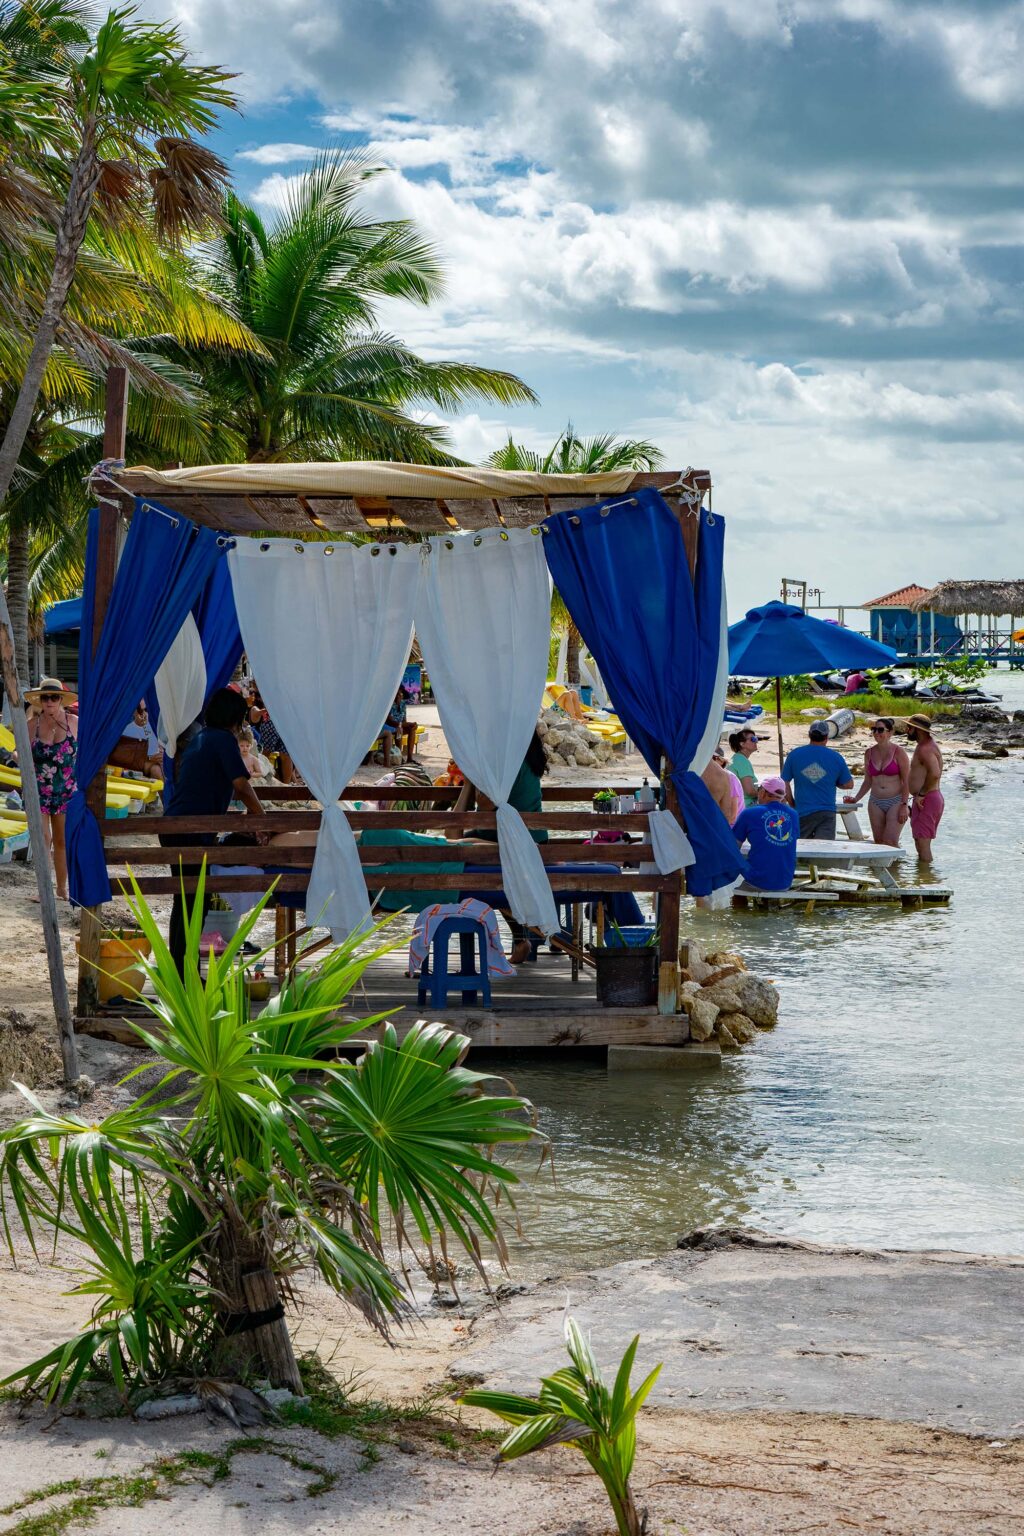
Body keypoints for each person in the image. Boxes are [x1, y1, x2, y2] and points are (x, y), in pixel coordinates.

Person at [160, 686, 267, 973]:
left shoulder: (201, 738)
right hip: (191, 829)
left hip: (176, 826)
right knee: (194, 902)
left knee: (185, 901)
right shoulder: (222, 740)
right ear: (235, 719)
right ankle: (186, 976)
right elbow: (241, 785)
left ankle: (182, 973)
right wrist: (262, 817)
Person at [450, 728, 549, 965]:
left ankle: (514, 939)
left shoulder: (504, 762)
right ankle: (519, 938)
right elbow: (456, 825)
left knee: (455, 851)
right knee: (454, 846)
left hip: (511, 844)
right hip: (525, 841)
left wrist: (471, 776)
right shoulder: (524, 756)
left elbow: (482, 806)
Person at [23, 677, 77, 900]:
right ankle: (43, 889)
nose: (50, 702)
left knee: (62, 840)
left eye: (54, 697)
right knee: (43, 838)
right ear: (40, 701)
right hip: (38, 789)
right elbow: (22, 755)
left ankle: (62, 888)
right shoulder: (31, 726)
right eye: (45, 697)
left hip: (66, 789)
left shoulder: (74, 723)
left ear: (61, 700)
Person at [843, 717, 911, 847]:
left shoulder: (899, 752)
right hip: (875, 802)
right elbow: (868, 781)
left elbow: (907, 781)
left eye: (880, 730)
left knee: (890, 842)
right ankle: (887, 867)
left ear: (890, 733)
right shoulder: (869, 753)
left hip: (896, 801)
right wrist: (856, 799)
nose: (876, 733)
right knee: (879, 843)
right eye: (874, 729)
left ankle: (895, 867)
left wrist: (904, 805)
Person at [783, 721, 854, 839]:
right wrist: (834, 781)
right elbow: (849, 784)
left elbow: (784, 782)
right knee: (824, 850)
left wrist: (792, 803)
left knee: (800, 849)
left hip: (802, 811)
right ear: (827, 737)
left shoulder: (795, 754)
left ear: (809, 735)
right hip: (827, 811)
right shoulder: (836, 757)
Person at [731, 777, 800, 892]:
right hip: (785, 881)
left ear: (762, 792)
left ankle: (739, 907)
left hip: (758, 880)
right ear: (782, 796)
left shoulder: (749, 813)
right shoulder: (793, 815)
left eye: (759, 789)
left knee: (736, 894)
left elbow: (733, 847)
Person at [905, 713, 944, 862]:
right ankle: (922, 878)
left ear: (918, 730)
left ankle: (926, 879)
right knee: (920, 841)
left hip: (927, 799)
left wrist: (921, 794)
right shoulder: (926, 746)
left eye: (910, 727)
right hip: (927, 798)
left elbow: (935, 773)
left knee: (923, 844)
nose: (907, 730)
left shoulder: (925, 749)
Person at [121, 701, 164, 778]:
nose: (144, 714)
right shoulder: (126, 730)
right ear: (133, 711)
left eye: (146, 710)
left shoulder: (155, 727)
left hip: (154, 763)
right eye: (140, 711)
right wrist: (150, 758)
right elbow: (125, 756)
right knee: (156, 770)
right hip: (138, 765)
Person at [702, 746, 743, 826]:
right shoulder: (710, 777)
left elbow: (732, 816)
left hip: (730, 828)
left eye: (712, 759)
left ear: (721, 760)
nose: (708, 762)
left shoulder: (730, 778)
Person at [380, 687, 417, 765]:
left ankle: (409, 758)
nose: (398, 696)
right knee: (399, 729)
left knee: (412, 729)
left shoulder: (403, 704)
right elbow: (390, 721)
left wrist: (409, 725)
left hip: (399, 726)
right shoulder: (389, 704)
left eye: (400, 694)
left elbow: (404, 720)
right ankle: (399, 756)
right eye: (396, 694)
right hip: (391, 726)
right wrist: (402, 724)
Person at [728, 728, 760, 806]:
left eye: (756, 738)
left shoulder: (737, 758)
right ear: (742, 744)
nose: (756, 741)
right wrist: (767, 793)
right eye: (753, 739)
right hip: (744, 807)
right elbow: (749, 791)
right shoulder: (741, 761)